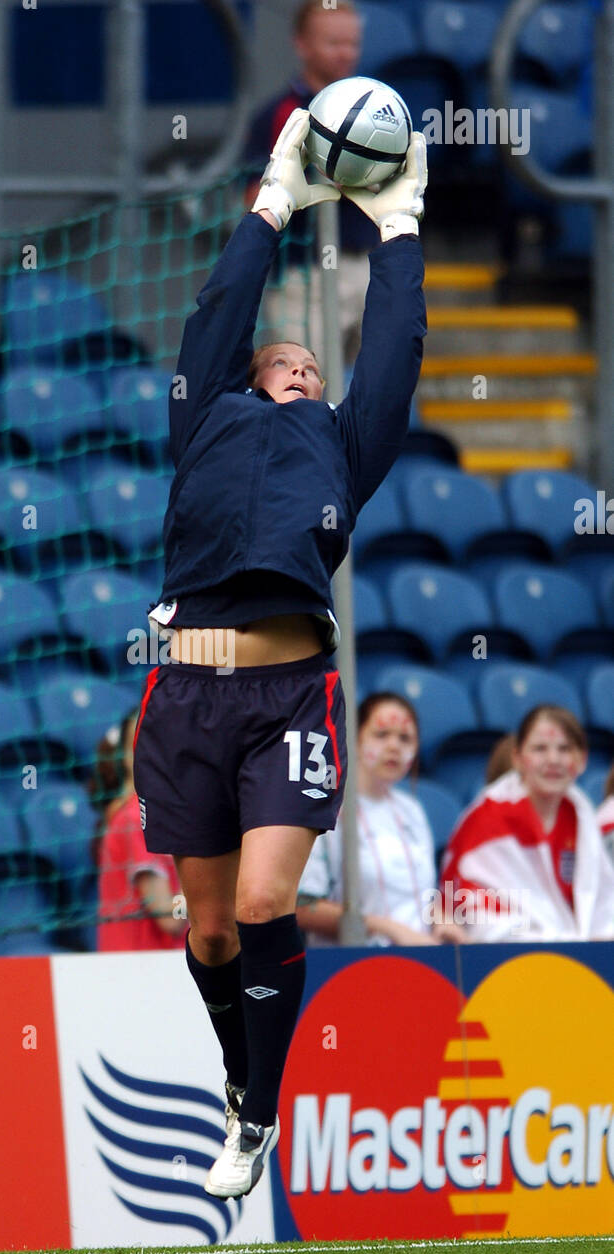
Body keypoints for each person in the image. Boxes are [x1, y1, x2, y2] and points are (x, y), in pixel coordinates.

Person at [132, 110, 427, 1199]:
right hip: (184, 690)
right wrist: (272, 198)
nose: (301, 366)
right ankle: (234, 1084)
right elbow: (218, 311)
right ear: (251, 375)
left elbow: (389, 355)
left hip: (288, 690)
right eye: (285, 358)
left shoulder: (342, 446)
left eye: (313, 363)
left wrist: (396, 230)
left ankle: (259, 1112)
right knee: (207, 927)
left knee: (262, 905)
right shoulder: (203, 415)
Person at [243, 0, 378, 361]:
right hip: (304, 278)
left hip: (366, 268)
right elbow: (255, 198)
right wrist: (309, 179)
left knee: (376, 392)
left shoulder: (375, 112)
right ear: (302, 44)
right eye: (333, 43)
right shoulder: (283, 115)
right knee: (308, 387)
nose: (345, 53)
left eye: (352, 43)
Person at [296, 693, 466, 946]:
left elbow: (421, 896)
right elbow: (301, 906)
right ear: (354, 739)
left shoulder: (412, 810)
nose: (394, 746)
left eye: (405, 738)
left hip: (420, 962)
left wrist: (440, 918)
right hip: (351, 966)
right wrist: (384, 928)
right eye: (382, 734)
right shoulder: (323, 807)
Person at [440, 705, 614, 942]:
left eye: (564, 749)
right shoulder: (487, 818)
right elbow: (476, 914)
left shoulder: (580, 816)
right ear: (518, 758)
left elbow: (604, 907)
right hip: (505, 965)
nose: (553, 760)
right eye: (540, 749)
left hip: (578, 964)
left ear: (582, 760)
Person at [90, 709, 187, 952]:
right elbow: (170, 918)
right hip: (143, 975)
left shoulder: (144, 813)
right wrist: (207, 878)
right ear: (126, 756)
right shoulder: (138, 817)